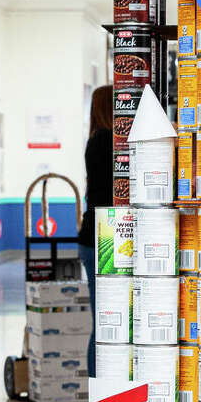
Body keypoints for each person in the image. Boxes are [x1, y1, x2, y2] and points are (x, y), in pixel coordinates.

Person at [77, 84, 113, 377]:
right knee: (103, 320)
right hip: (101, 238)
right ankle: (97, 389)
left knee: (104, 318)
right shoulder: (105, 141)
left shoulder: (97, 140)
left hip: (98, 235)